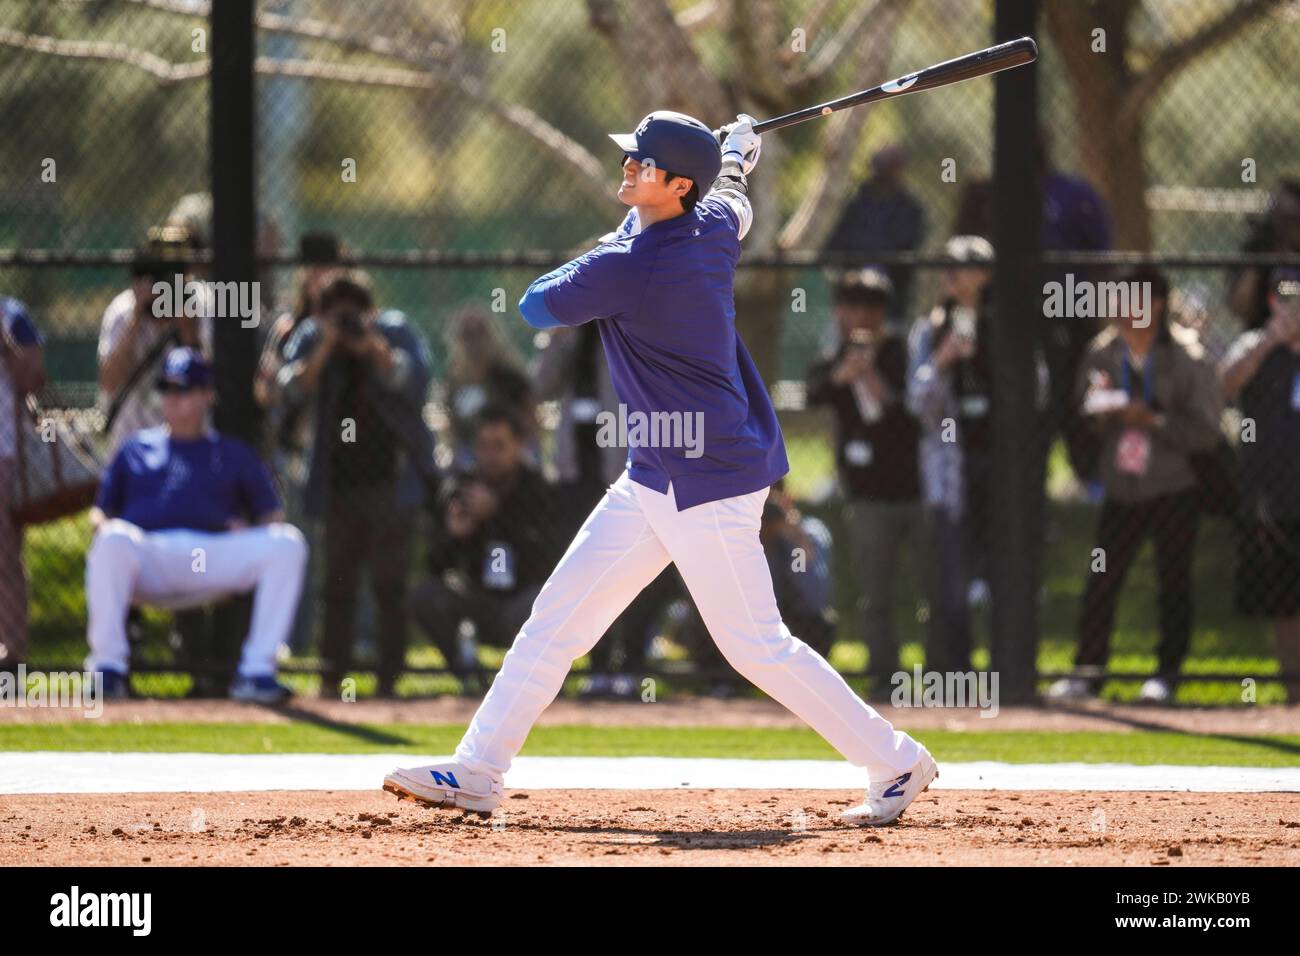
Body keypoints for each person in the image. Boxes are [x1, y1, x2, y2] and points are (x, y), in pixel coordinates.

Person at [385, 110, 936, 826]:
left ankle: (895, 759)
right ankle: (479, 769)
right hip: (657, 472)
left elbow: (534, 305)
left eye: (640, 165)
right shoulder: (709, 225)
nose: (626, 170)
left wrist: (677, 194)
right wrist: (735, 157)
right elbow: (733, 200)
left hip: (704, 478)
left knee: (755, 647)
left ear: (677, 185)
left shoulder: (632, 262)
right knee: (556, 619)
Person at [85, 348, 307, 702]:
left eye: (184, 390)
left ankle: (257, 672)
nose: (173, 400)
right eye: (167, 390)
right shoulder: (135, 448)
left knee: (288, 543)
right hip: (149, 558)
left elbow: (273, 517)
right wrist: (103, 529)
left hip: (210, 557)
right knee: (112, 539)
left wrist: (248, 529)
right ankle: (107, 671)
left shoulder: (232, 452)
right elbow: (101, 512)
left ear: (207, 396)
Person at [1050, 268, 1222, 704]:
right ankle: (1088, 673)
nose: (1123, 310)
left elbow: (1207, 431)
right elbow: (1082, 410)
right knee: (1101, 577)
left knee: (1173, 581)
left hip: (1173, 486)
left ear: (1158, 303)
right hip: (1122, 487)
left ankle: (1166, 674)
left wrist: (1155, 421)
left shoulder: (1188, 355)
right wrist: (1103, 412)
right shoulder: (1103, 352)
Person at [278, 274, 436, 698]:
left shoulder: (393, 329)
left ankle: (389, 680)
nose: (346, 322)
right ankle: (332, 679)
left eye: (354, 312)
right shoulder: (313, 337)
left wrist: (373, 349)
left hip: (391, 479)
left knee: (389, 583)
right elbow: (289, 389)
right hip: (338, 484)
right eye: (336, 314)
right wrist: (327, 346)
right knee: (337, 584)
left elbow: (416, 382)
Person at [806, 269, 920, 696]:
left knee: (932, 587)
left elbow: (911, 415)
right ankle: (886, 677)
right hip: (865, 492)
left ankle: (945, 675)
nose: (861, 317)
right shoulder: (832, 357)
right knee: (875, 591)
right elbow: (813, 392)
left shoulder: (901, 353)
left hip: (916, 487)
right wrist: (845, 372)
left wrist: (871, 375)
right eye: (851, 306)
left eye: (870, 308)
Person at [409, 406, 566, 691]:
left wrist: (498, 514)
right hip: (479, 602)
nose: (490, 456)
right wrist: (455, 536)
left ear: (518, 445)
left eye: (499, 446)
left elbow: (550, 559)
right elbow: (435, 565)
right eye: (483, 446)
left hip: (521, 603)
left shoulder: (539, 488)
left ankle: (536, 684)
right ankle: (470, 676)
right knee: (427, 596)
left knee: (543, 600)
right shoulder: (460, 487)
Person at [1220, 268, 1300, 701]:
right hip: (1274, 497)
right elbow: (1223, 384)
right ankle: (1294, 694)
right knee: (1283, 602)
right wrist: (1272, 339)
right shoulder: (1256, 347)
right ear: (1272, 302)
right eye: (1287, 299)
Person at [823, 145, 925, 321]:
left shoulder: (909, 208)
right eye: (880, 167)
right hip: (852, 290)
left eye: (889, 168)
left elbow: (908, 244)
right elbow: (835, 243)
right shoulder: (855, 203)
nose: (883, 174)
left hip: (891, 297)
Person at [0, 297, 45, 671]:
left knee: (3, 555)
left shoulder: (12, 314)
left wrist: (5, 341)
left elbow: (33, 381)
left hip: (2, 452)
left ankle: (10, 658)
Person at [443, 307, 536, 468]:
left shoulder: (508, 376)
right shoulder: (454, 379)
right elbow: (451, 422)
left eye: (478, 335)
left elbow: (529, 417)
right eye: (467, 336)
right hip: (469, 451)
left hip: (507, 450)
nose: (473, 343)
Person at [1228, 180, 1300, 331]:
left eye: (1291, 219)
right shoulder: (1257, 249)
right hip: (1264, 337)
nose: (1283, 226)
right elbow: (1239, 308)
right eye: (1279, 215)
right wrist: (1258, 260)